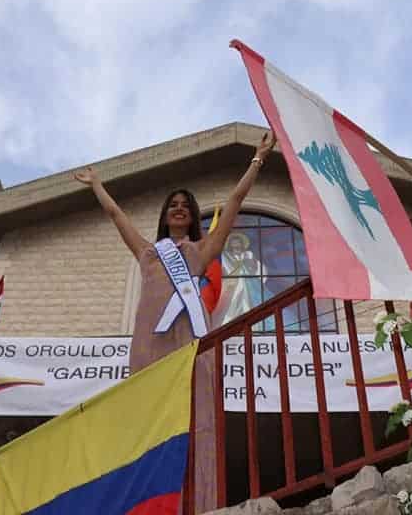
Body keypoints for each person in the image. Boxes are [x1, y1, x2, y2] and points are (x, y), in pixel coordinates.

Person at [73, 131, 276, 512]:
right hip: (148, 345)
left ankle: (192, 502)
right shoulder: (148, 253)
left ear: (193, 216)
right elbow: (116, 216)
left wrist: (258, 159)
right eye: (173, 205)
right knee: (145, 421)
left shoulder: (202, 250)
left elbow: (235, 201)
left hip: (187, 344)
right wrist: (97, 184)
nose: (179, 209)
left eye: (186, 206)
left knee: (192, 421)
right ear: (165, 215)